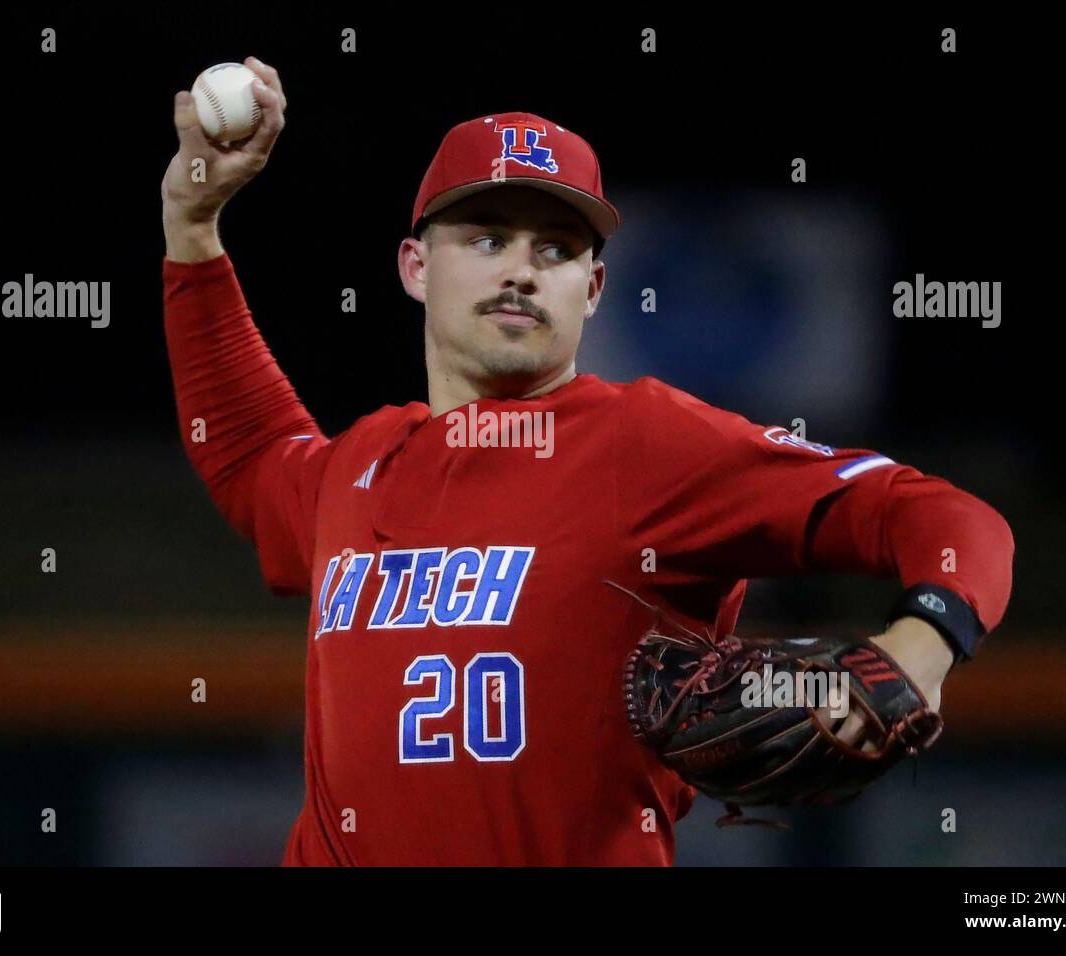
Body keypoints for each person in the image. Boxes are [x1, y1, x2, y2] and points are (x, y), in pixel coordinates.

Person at [160, 57, 1014, 865]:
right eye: (487, 238)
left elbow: (943, 516)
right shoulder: (358, 465)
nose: (522, 271)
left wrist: (921, 644)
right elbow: (246, 447)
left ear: (595, 289)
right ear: (416, 267)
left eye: (557, 249)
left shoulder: (647, 444)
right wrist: (192, 224)